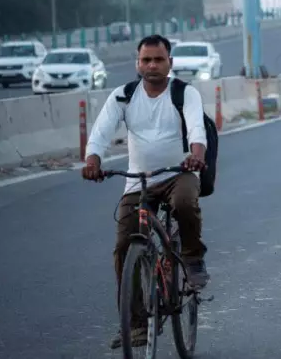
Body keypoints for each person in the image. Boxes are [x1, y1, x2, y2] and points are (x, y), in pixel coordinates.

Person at [81, 34, 210, 350]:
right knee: (125, 243)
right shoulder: (123, 96)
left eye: (159, 59)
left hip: (179, 174)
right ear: (137, 63)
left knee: (184, 202)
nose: (152, 65)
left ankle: (192, 259)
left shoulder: (184, 93)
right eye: (146, 60)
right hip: (137, 181)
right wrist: (92, 160)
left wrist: (196, 154)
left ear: (170, 63)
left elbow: (197, 129)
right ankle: (137, 325)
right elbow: (99, 134)